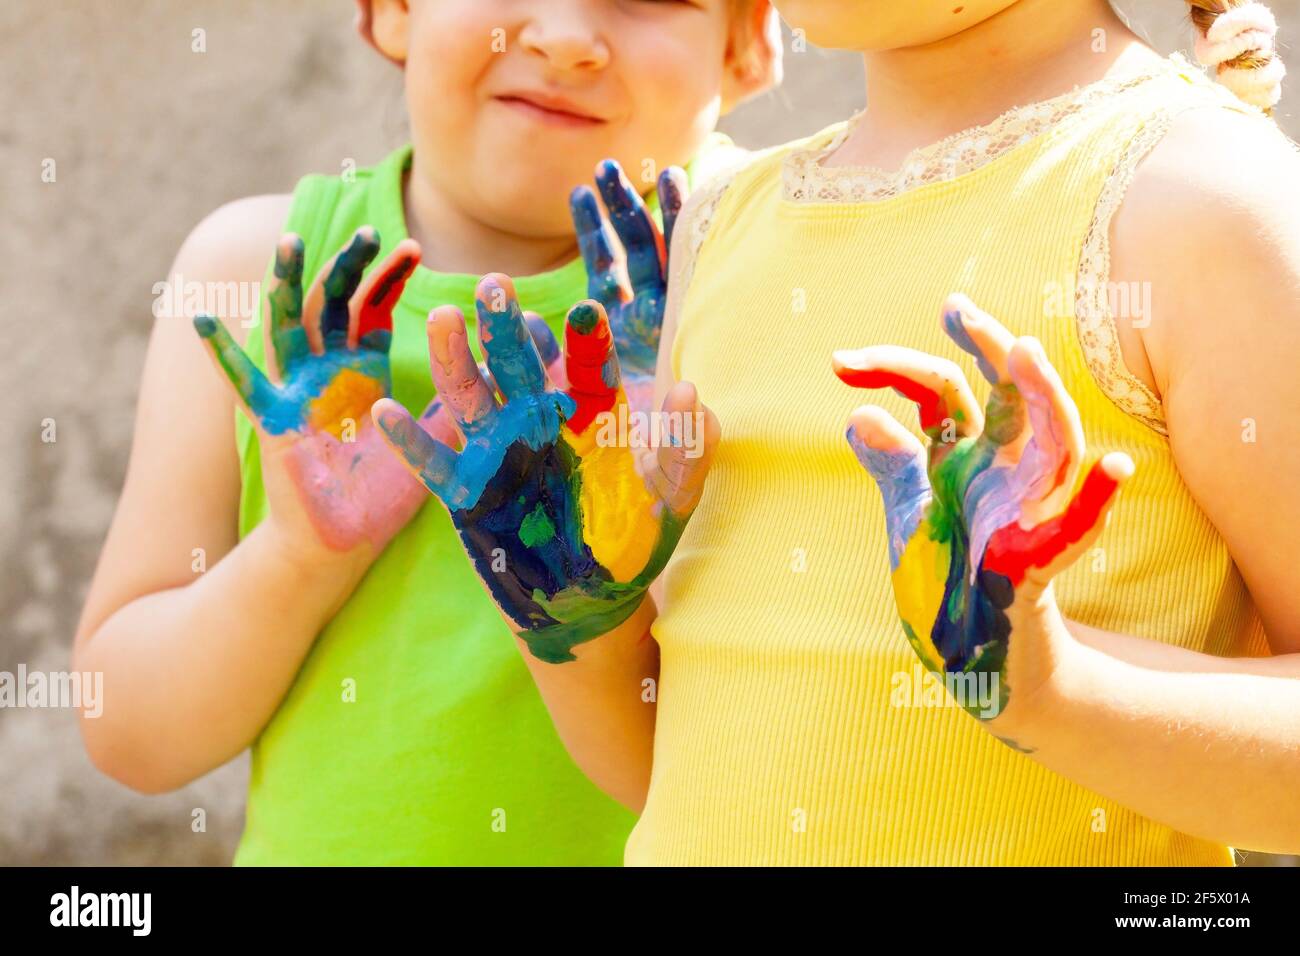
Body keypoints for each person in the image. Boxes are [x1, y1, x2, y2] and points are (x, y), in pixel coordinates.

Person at [382, 0, 1300, 864]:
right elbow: (666, 777)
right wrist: (571, 623)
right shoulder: (720, 222)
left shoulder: (1201, 201)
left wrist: (1053, 692)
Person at [73, 0, 779, 865]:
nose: (563, 37)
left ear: (750, 44)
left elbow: (766, 782)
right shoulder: (251, 274)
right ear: (393, 10)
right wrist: (300, 557)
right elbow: (131, 735)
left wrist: (595, 581)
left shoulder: (768, 274)